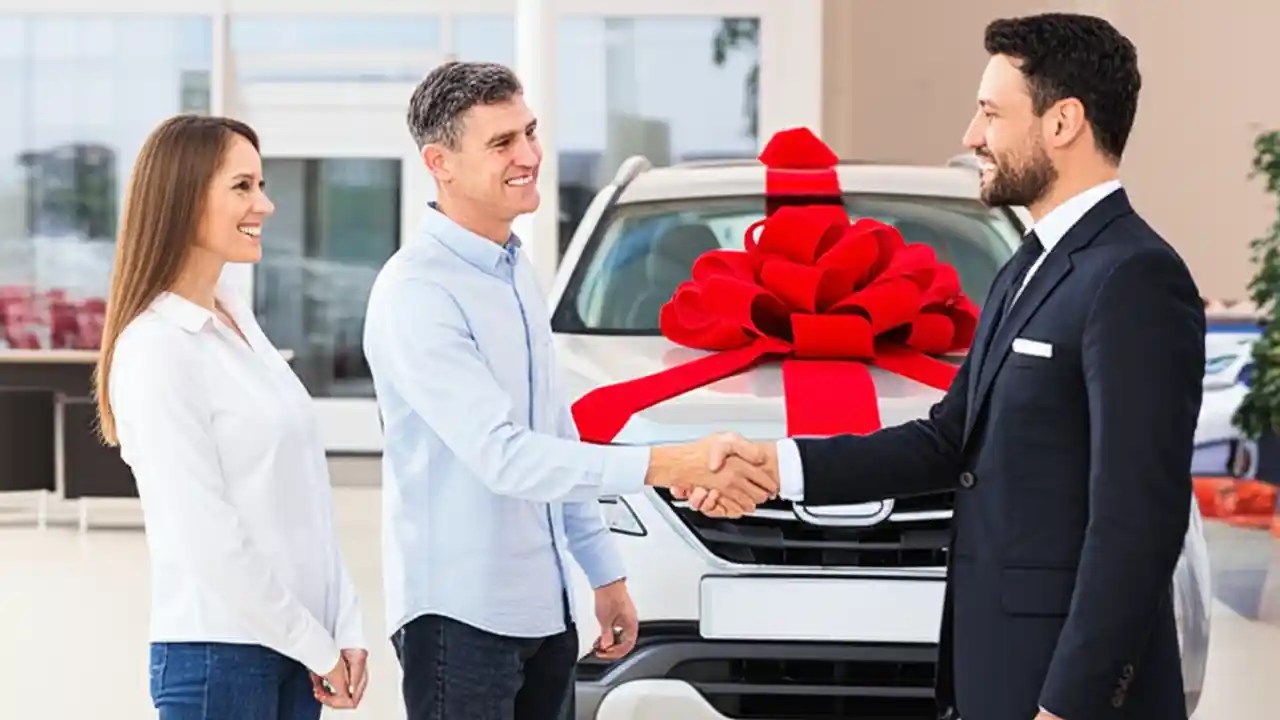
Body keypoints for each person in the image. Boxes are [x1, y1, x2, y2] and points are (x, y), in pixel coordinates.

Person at [688, 13, 1204, 720]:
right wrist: (773, 467)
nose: (970, 136)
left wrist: (1070, 706)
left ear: (1064, 122)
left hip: (1062, 695)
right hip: (995, 673)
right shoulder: (1030, 265)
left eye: (991, 113)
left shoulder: (1135, 277)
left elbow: (1137, 523)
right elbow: (947, 440)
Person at [361, 61, 776, 720]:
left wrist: (603, 572)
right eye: (502, 143)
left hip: (545, 612)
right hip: (461, 620)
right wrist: (671, 464)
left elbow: (557, 432)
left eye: (529, 132)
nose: (529, 155)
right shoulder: (418, 292)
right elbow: (506, 457)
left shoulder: (515, 269)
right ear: (439, 162)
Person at [93, 114, 369, 719]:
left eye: (261, 185)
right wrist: (316, 646)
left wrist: (344, 623)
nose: (265, 205)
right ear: (183, 198)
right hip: (220, 659)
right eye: (242, 187)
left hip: (298, 653)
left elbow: (307, 499)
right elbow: (206, 539)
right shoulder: (156, 348)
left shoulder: (237, 319)